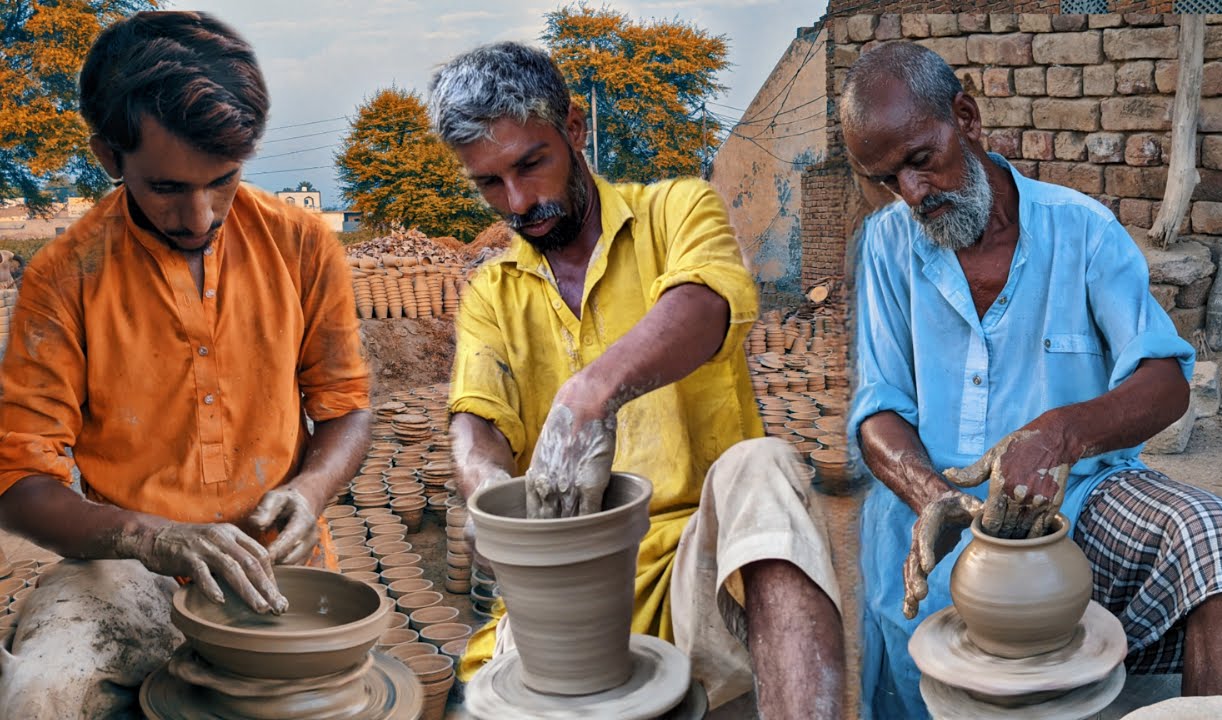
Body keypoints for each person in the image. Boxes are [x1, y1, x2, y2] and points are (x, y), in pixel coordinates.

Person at [842, 41, 1222, 718]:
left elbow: (1165, 378)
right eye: (886, 179)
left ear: (968, 117)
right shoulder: (887, 247)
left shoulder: (1084, 231)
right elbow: (878, 410)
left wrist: (1061, 433)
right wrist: (931, 497)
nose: (912, 194)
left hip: (1082, 500)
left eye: (921, 161)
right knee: (935, 677)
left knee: (1218, 535)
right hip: (934, 519)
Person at [429, 42, 845, 718]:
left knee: (765, 467)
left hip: (697, 570)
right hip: (566, 596)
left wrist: (590, 394)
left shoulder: (677, 212)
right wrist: (485, 492)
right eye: (489, 183)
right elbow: (476, 421)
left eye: (530, 165)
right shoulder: (492, 294)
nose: (517, 201)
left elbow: (704, 304)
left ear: (574, 127)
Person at [0, 12, 371, 717]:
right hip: (128, 570)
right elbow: (20, 482)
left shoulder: (300, 245)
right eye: (168, 187)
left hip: (276, 564)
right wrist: (149, 535)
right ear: (110, 155)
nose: (199, 217)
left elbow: (344, 406)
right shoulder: (62, 278)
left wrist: (313, 490)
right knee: (39, 694)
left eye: (223, 180)